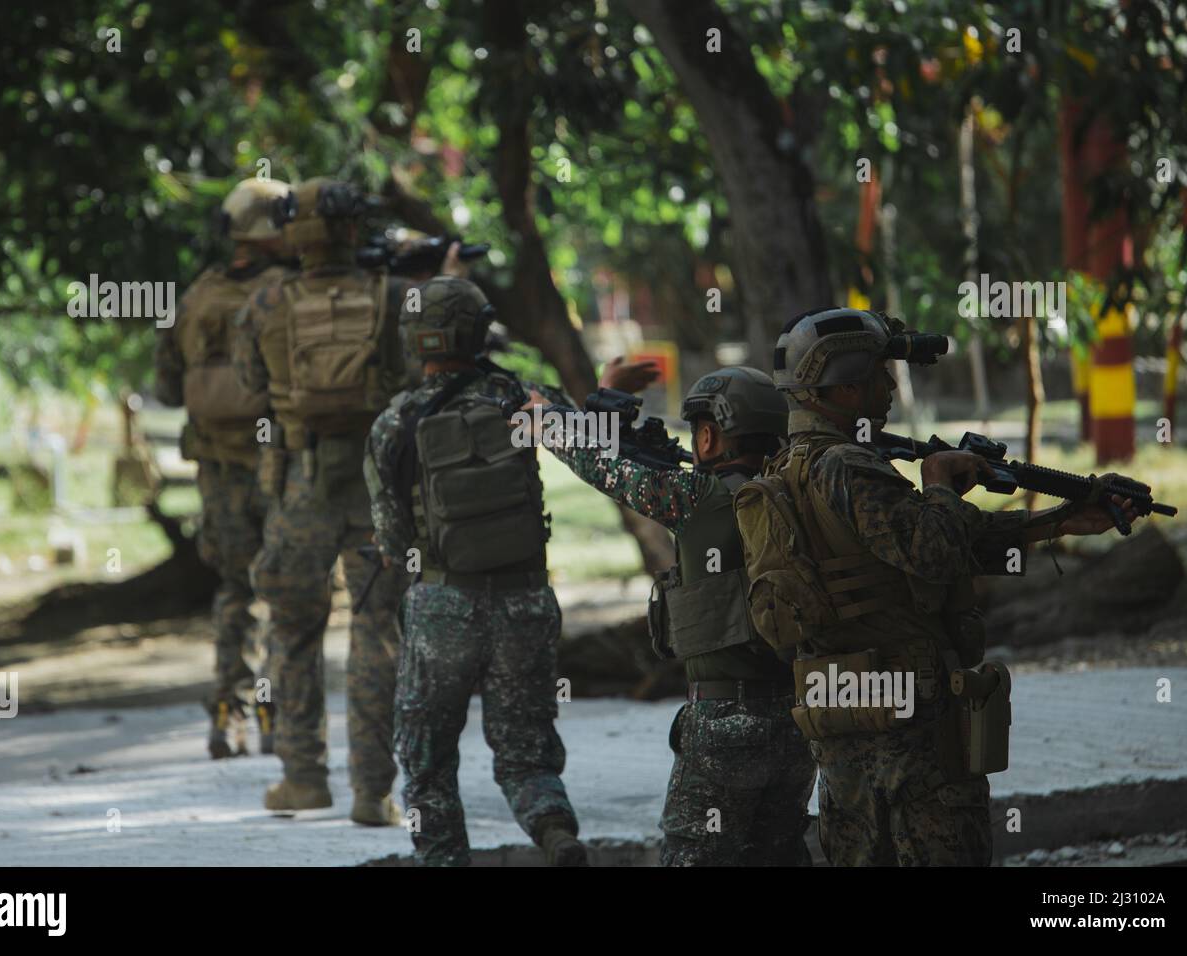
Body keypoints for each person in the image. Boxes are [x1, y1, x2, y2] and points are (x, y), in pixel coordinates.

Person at [734, 307, 1141, 866]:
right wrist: (940, 485)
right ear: (846, 387)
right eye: (881, 373)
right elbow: (933, 551)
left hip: (838, 711)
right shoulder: (851, 468)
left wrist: (1058, 521)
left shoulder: (786, 472)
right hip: (911, 724)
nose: (890, 386)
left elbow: (910, 548)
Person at [364, 276, 635, 866]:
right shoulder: (523, 396)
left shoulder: (395, 422)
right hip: (525, 604)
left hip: (441, 609)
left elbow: (392, 542)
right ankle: (555, 832)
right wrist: (608, 393)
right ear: (480, 330)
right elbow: (591, 447)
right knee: (526, 752)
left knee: (427, 761)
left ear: (418, 340)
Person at [521, 366, 817, 865]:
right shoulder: (801, 496)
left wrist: (546, 421)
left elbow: (606, 470)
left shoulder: (697, 499)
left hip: (724, 720)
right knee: (779, 852)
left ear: (708, 434)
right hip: (796, 721)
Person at [231, 178, 455, 822]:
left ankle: (303, 778)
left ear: (290, 235)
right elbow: (423, 376)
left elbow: (250, 383)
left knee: (293, 630)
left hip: (300, 487)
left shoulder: (266, 302)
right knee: (377, 631)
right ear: (353, 228)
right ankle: (372, 791)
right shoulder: (394, 297)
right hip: (378, 488)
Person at [154, 177, 293, 758]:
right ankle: (275, 716)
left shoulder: (195, 298)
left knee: (236, 590)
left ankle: (226, 717)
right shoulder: (288, 294)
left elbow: (166, 388)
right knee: (288, 590)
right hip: (282, 464)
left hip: (217, 468)